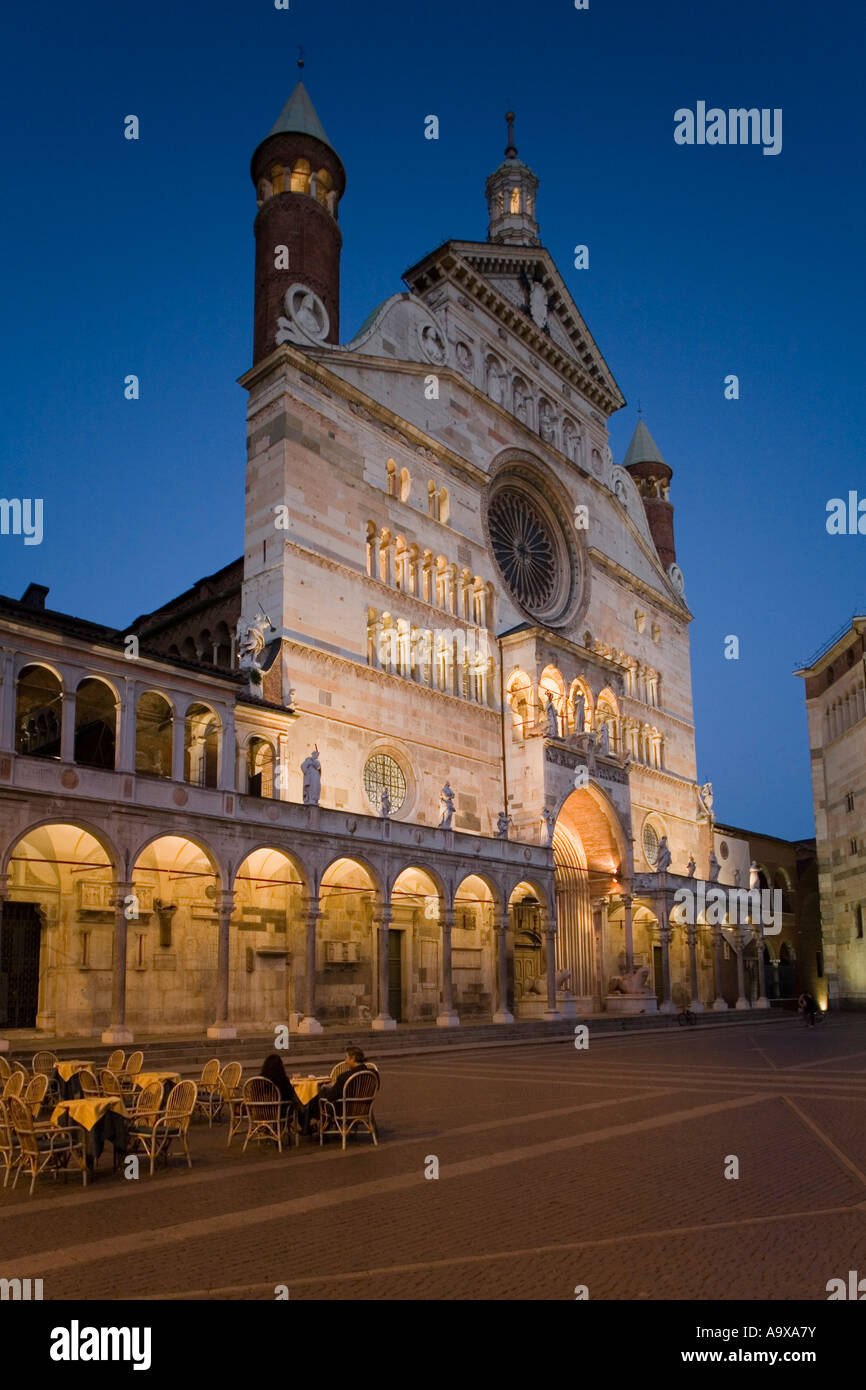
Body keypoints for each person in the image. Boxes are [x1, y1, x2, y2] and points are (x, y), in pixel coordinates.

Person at [306, 1047, 377, 1131]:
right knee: (324, 1093)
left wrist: (328, 1087)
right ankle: (316, 1124)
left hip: (345, 1110)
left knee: (321, 1094)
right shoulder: (373, 1074)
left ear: (352, 1058)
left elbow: (332, 1097)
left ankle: (315, 1124)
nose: (345, 1061)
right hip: (364, 1108)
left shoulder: (344, 1077)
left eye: (346, 1058)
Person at [260, 1053, 307, 1131]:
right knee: (297, 1102)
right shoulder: (282, 1080)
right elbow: (290, 1094)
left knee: (296, 1102)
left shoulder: (259, 1080)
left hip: (261, 1112)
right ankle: (304, 1125)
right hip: (279, 1111)